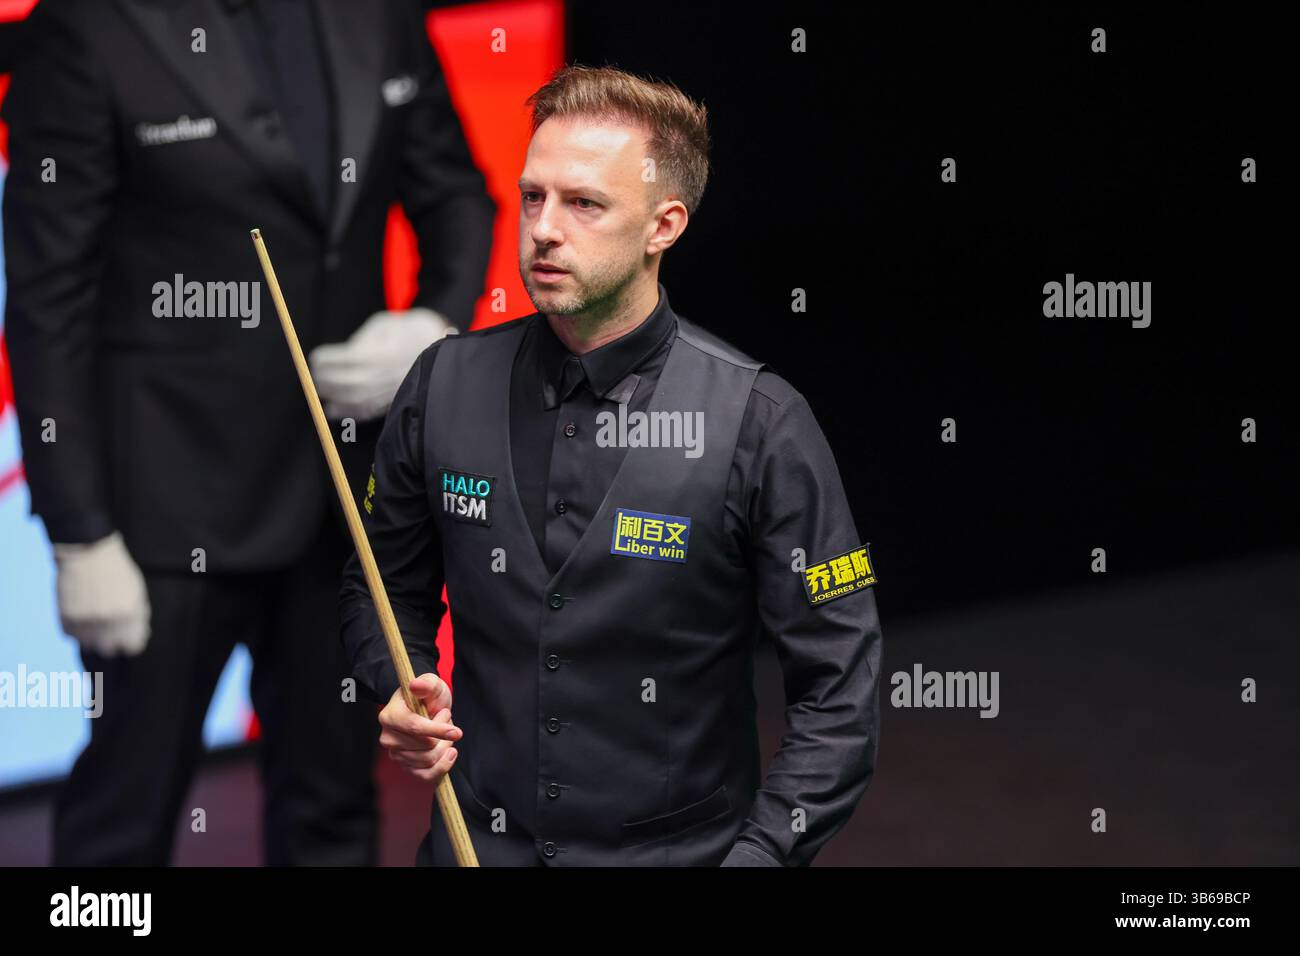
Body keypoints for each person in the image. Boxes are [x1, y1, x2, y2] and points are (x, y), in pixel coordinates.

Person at [340, 63, 881, 866]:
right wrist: (400, 680)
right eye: (533, 197)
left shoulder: (760, 422)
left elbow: (841, 694)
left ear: (664, 225)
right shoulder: (441, 384)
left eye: (584, 203)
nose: (544, 229)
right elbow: (381, 588)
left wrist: (762, 855)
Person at [2, 0, 494, 865]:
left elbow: (455, 192)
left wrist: (431, 323)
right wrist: (79, 533)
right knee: (125, 811)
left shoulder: (376, 12)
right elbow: (47, 300)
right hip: (159, 511)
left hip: (340, 497)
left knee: (336, 807)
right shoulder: (85, 28)